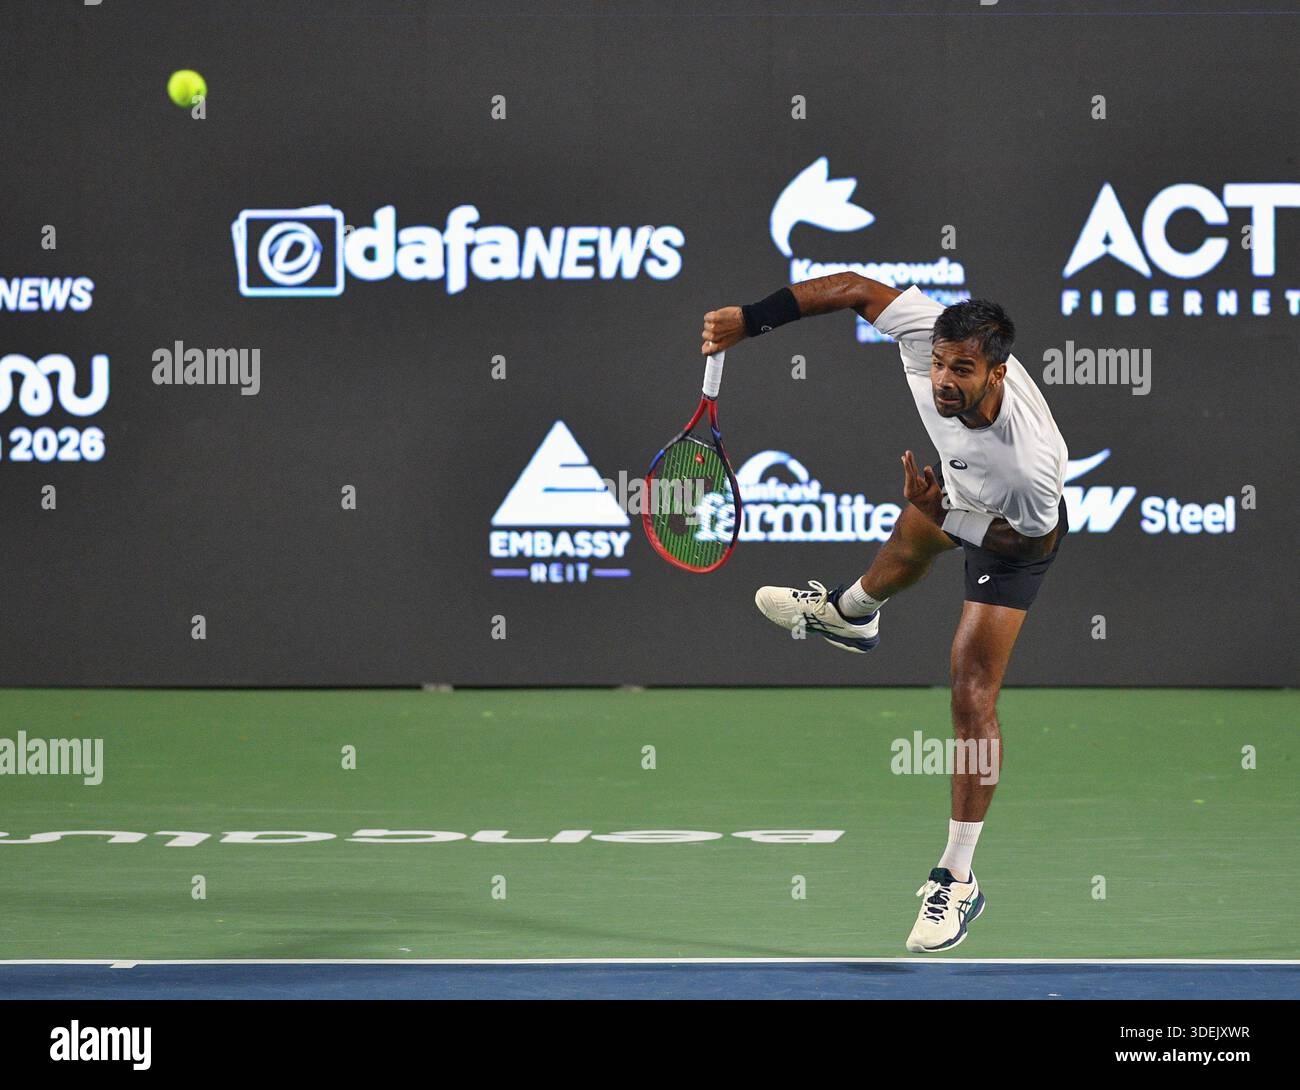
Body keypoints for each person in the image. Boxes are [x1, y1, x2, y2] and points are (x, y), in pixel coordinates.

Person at [700, 273, 1069, 951]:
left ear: (998, 372)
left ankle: (957, 880)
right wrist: (752, 320)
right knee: (911, 538)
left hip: (1014, 535)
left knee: (970, 691)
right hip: (962, 488)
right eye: (939, 364)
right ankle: (853, 614)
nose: (943, 381)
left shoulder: (1030, 466)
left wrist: (950, 516)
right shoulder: (927, 334)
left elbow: (1033, 540)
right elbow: (848, 288)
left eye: (963, 370)